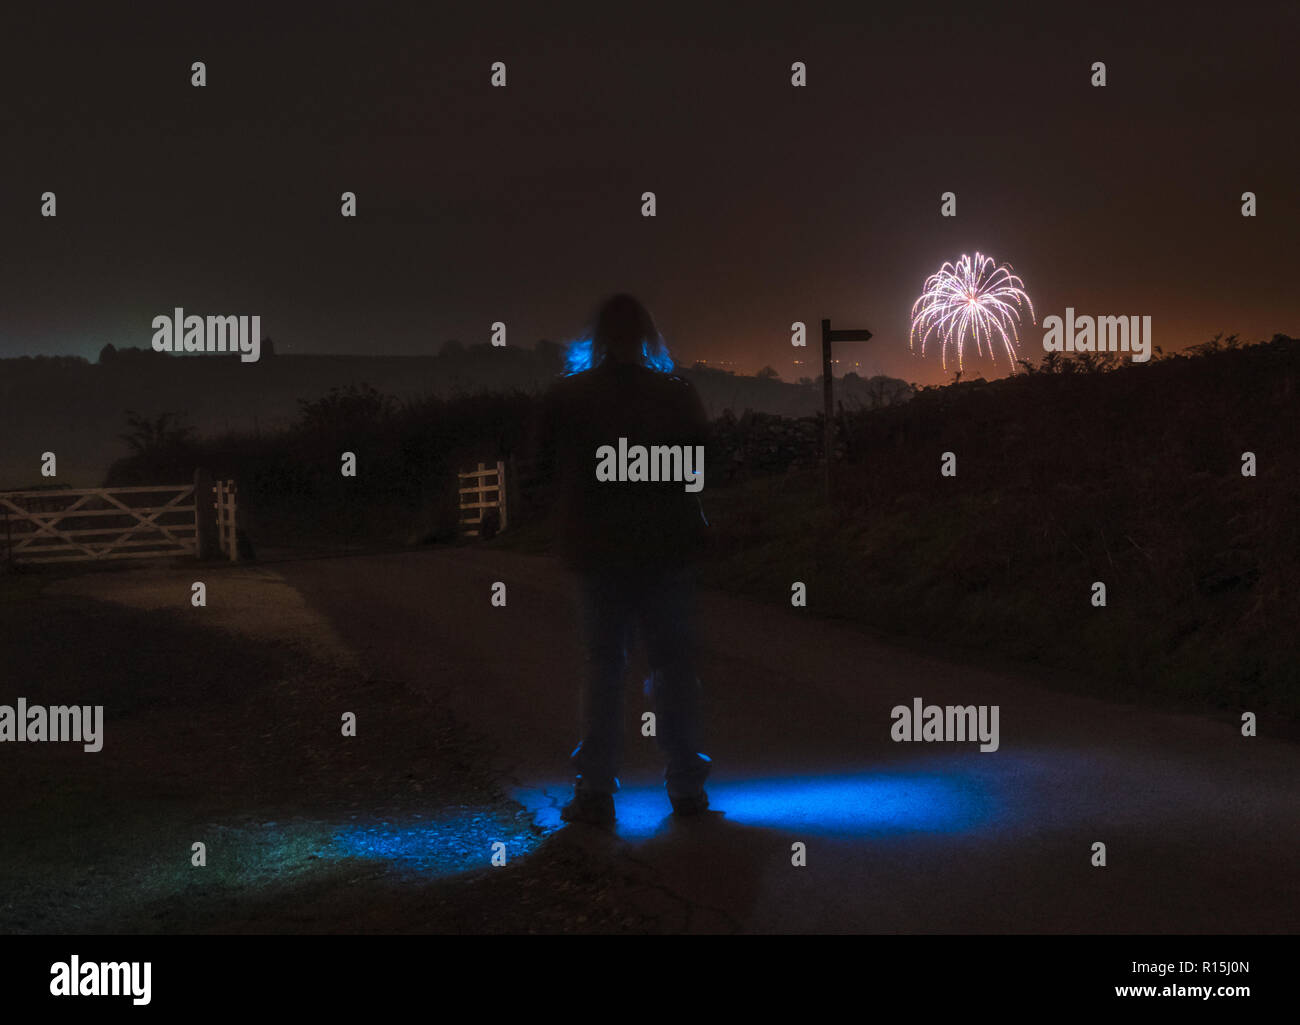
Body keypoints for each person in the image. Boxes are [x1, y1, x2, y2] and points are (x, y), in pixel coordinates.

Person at [533, 294, 713, 827]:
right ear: (647, 337)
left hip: (596, 550)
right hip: (666, 548)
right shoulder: (675, 395)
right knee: (673, 667)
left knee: (604, 665)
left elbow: (542, 467)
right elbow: (700, 467)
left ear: (598, 338)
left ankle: (593, 790)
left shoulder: (568, 398)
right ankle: (685, 787)